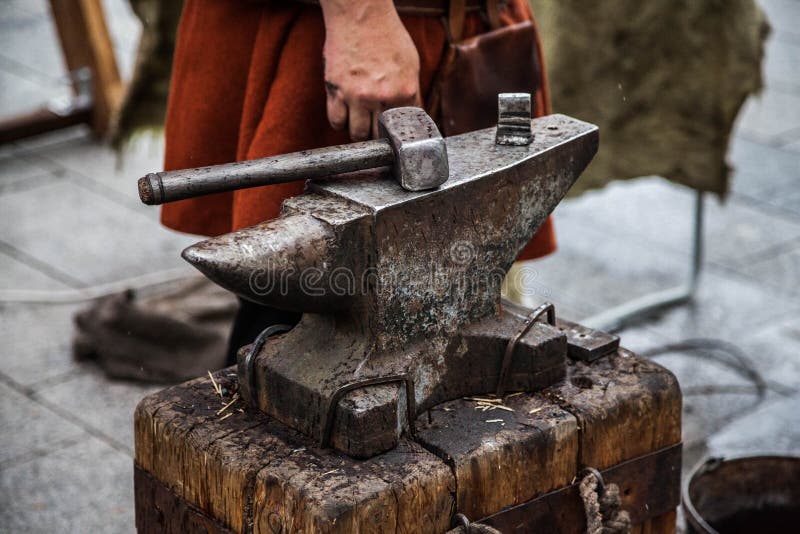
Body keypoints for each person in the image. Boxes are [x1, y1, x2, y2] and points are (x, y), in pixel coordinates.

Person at [161, 0, 556, 364]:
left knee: (472, 291)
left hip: (472, 29)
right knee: (292, 315)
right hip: (353, 39)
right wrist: (360, 17)